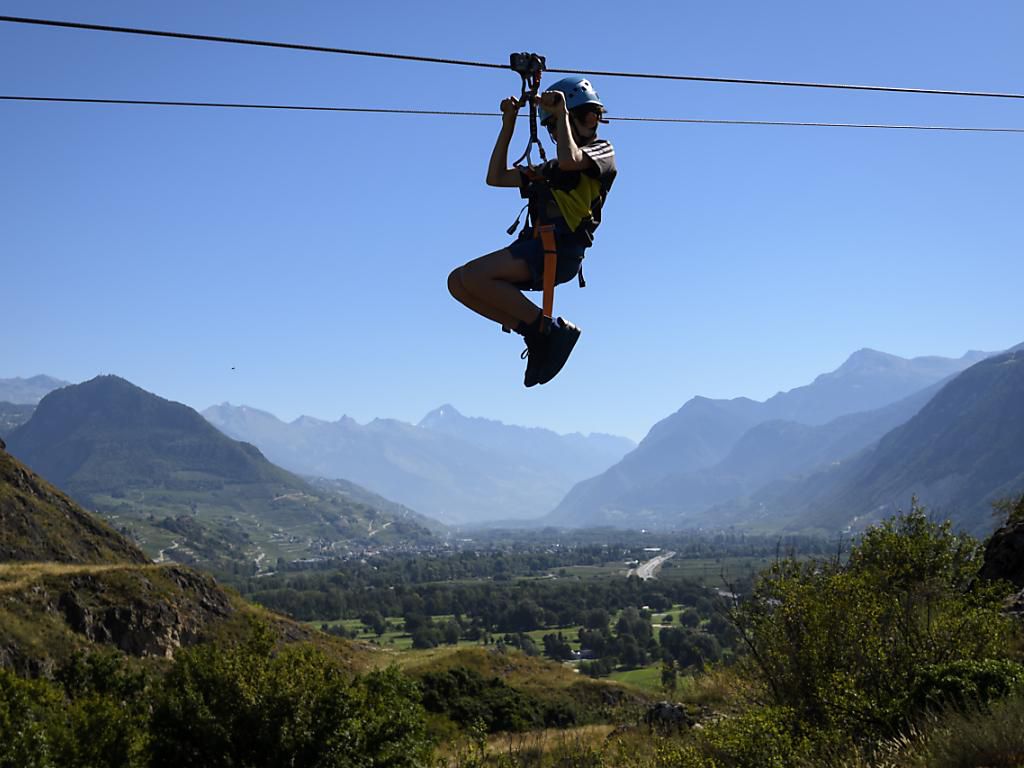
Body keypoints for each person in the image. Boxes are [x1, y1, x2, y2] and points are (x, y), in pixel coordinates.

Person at [447, 76, 617, 387]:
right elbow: (495, 177)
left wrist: (561, 114)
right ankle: (538, 334)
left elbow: (571, 161)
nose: (593, 125)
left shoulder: (602, 152)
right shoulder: (549, 170)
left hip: (562, 252)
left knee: (474, 277)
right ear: (553, 128)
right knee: (458, 284)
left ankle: (548, 331)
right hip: (539, 250)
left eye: (595, 117)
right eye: (586, 117)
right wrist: (508, 125)